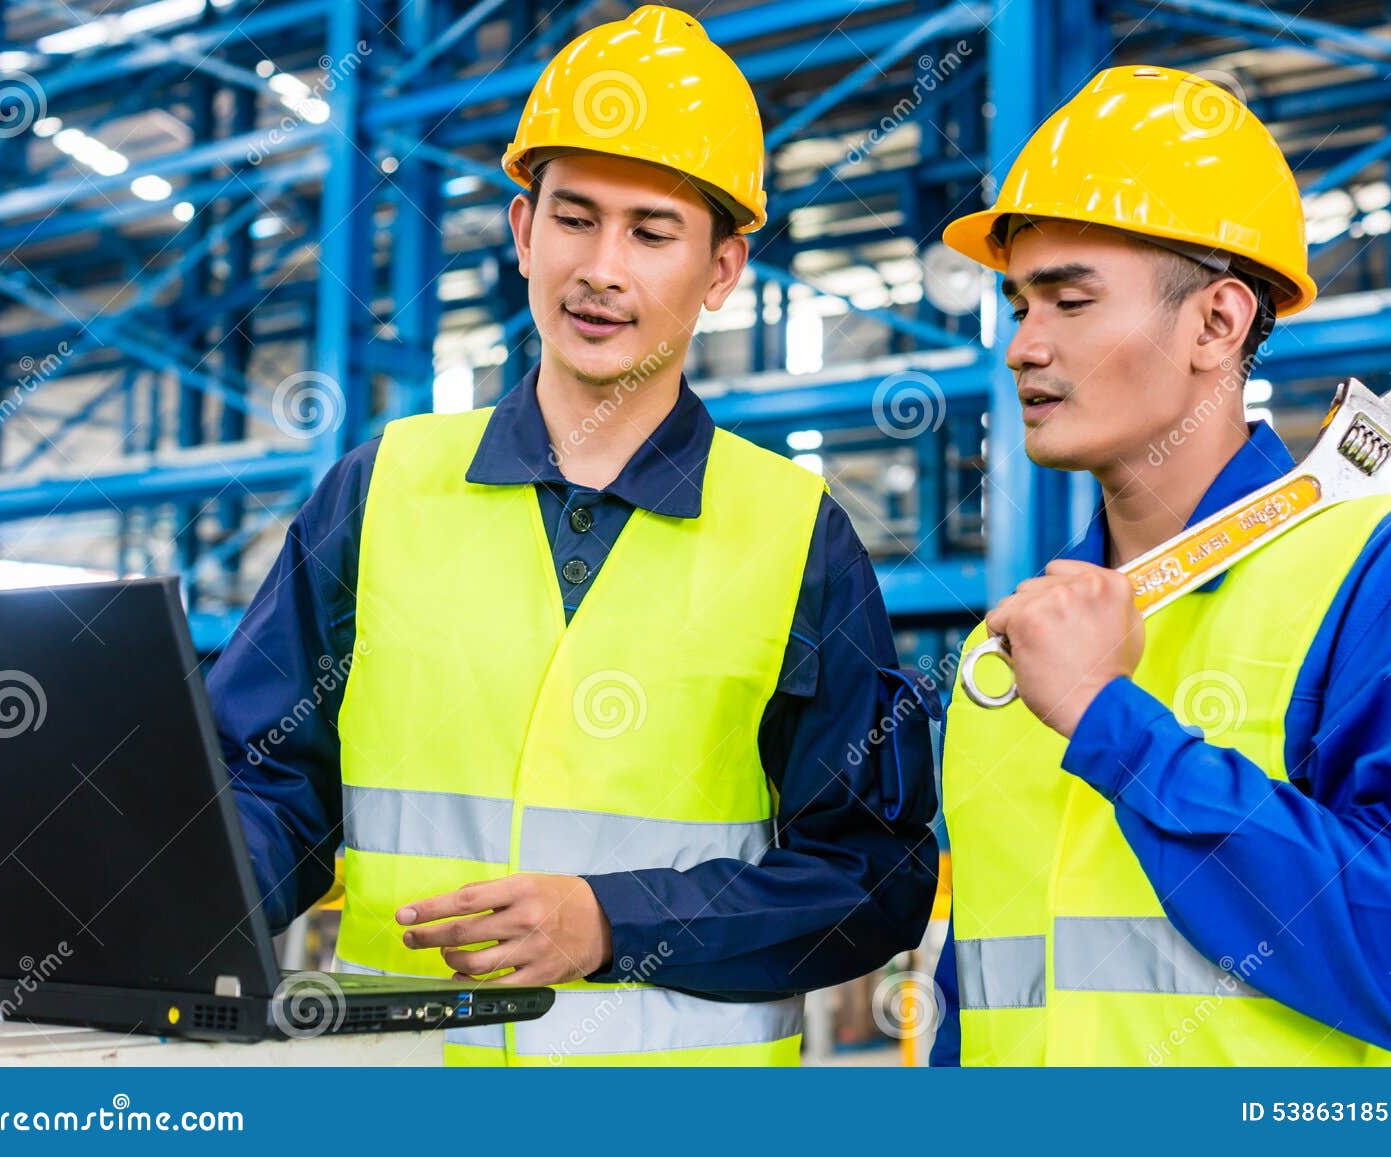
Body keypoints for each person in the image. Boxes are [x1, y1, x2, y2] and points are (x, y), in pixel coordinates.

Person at [208, 5, 938, 1067]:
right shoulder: (381, 489)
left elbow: (870, 875)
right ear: (522, 231)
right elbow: (266, 778)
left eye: (651, 233)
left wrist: (613, 921)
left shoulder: (796, 538)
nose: (601, 267)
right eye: (575, 219)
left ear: (722, 271)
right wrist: (176, 896)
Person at [930, 64, 1391, 1066]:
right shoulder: (1002, 654)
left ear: (1217, 322)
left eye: (1069, 301)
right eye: (1018, 304)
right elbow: (981, 1001)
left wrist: (1116, 728)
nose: (1022, 347)